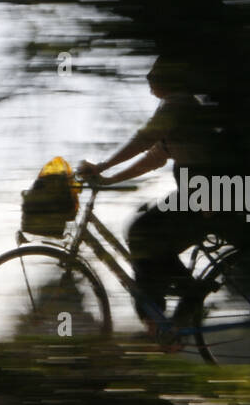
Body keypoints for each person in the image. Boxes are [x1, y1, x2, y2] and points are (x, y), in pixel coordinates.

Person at [78, 58, 235, 329]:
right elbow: (154, 156)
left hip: (211, 193)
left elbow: (144, 139)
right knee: (146, 235)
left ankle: (182, 302)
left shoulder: (178, 104)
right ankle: (161, 317)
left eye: (153, 75)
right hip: (207, 192)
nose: (149, 81)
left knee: (143, 231)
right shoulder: (180, 106)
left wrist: (102, 166)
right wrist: (110, 178)